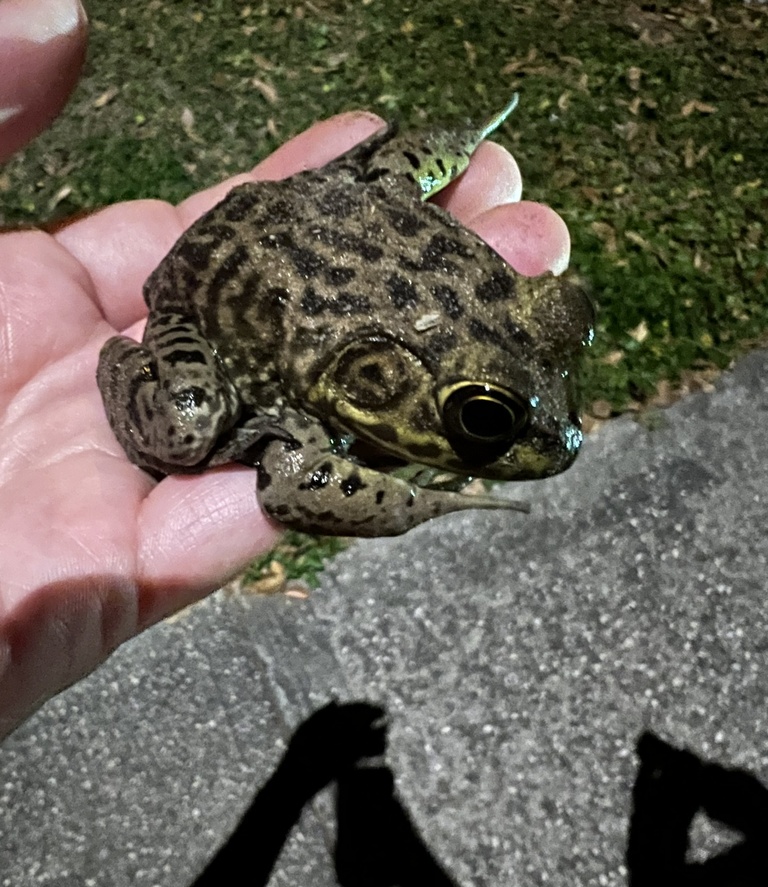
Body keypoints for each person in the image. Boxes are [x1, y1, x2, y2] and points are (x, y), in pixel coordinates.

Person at [0, 0, 575, 737]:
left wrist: (457, 145)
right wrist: (405, 506)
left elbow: (398, 181)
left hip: (325, 216)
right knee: (185, 431)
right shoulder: (332, 382)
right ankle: (134, 367)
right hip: (212, 287)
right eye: (482, 418)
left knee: (391, 182)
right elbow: (289, 478)